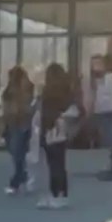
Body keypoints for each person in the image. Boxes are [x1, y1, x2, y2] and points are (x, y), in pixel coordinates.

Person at [35, 63, 79, 209]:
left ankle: (57, 194)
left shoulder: (48, 93)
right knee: (58, 163)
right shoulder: (66, 92)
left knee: (54, 164)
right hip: (60, 131)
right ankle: (59, 194)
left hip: (51, 130)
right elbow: (76, 110)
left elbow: (45, 113)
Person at [1, 66, 36, 195]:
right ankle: (21, 176)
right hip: (17, 124)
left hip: (19, 124)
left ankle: (17, 179)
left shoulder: (20, 91)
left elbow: (23, 108)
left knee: (17, 153)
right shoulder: (11, 92)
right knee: (18, 154)